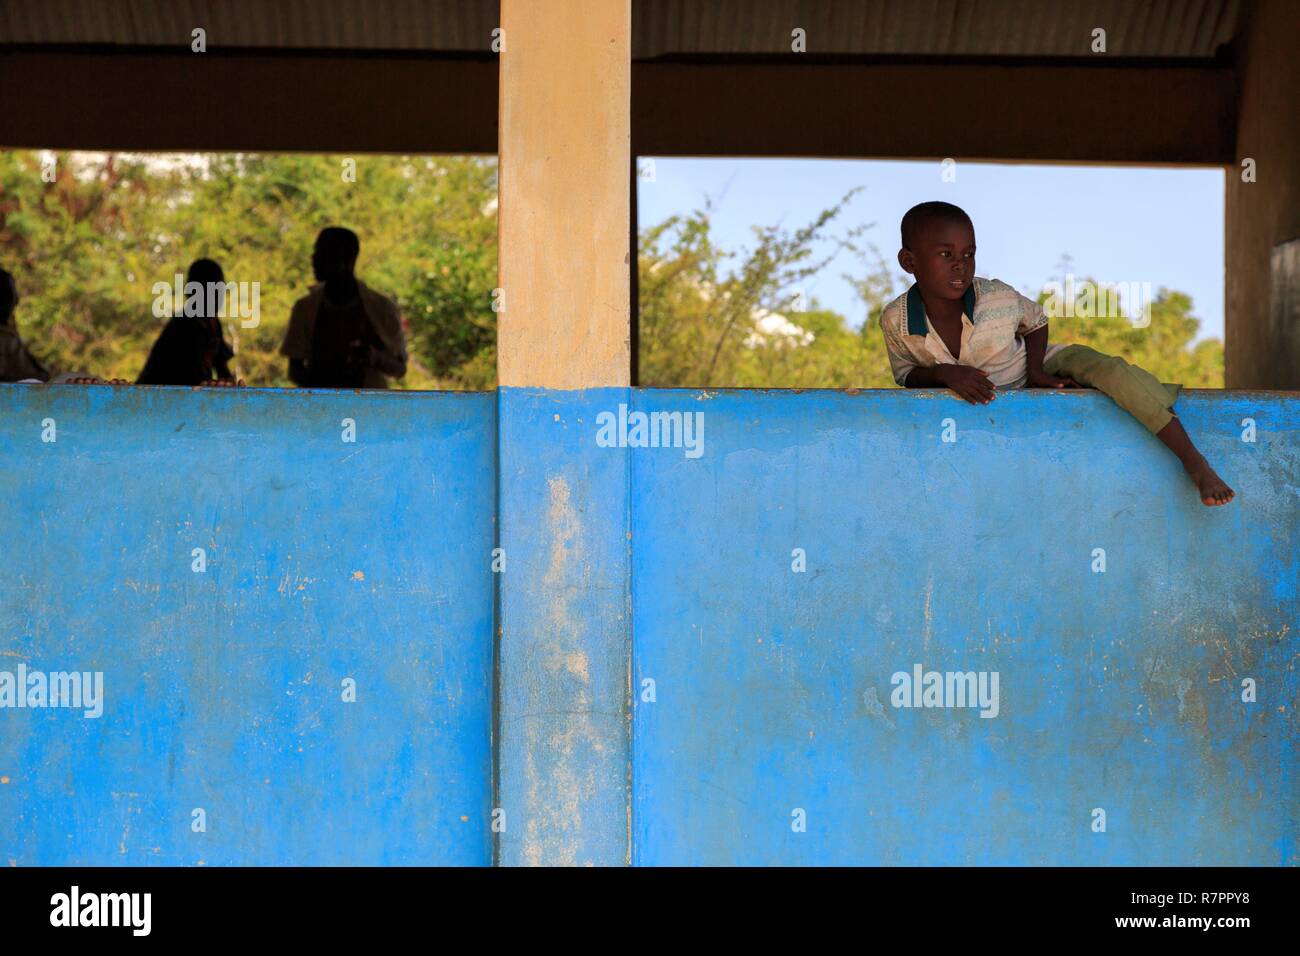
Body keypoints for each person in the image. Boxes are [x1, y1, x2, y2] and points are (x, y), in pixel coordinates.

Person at [879, 201, 1234, 506]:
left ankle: (1195, 463)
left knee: (1112, 373)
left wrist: (1036, 372)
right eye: (946, 254)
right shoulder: (896, 320)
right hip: (982, 389)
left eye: (969, 254)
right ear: (909, 261)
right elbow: (905, 374)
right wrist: (945, 373)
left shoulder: (997, 297)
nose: (961, 264)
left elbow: (1036, 322)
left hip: (1033, 363)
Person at [280, 227, 406, 388]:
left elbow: (400, 369)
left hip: (368, 408)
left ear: (347, 259)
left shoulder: (382, 308)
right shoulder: (304, 308)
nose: (314, 259)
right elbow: (294, 370)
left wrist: (373, 357)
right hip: (320, 408)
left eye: (323, 253)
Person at [137, 258, 238, 386]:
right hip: (158, 398)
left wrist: (231, 387)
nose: (219, 296)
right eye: (214, 290)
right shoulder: (183, 325)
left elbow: (221, 366)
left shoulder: (212, 324)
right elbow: (185, 378)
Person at [0, 267, 51, 382]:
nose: (16, 301)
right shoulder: (6, 341)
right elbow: (35, 377)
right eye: (9, 294)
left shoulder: (8, 337)